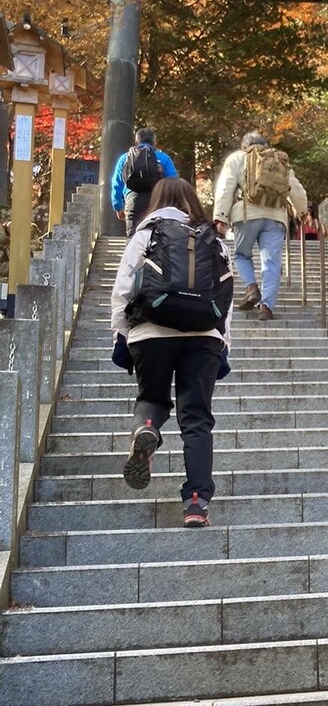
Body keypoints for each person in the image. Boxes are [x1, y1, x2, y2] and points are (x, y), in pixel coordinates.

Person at [110, 177, 233, 528]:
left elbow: (122, 289)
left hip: (151, 331)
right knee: (196, 418)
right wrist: (223, 343)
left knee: (153, 397)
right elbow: (226, 296)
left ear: (157, 201)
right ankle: (196, 502)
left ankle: (147, 426)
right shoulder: (212, 239)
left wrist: (121, 335)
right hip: (204, 335)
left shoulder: (146, 234)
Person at [213, 131, 307, 321]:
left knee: (241, 255)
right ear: (265, 144)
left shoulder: (237, 158)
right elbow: (294, 188)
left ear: (244, 145)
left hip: (246, 214)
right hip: (276, 216)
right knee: (272, 262)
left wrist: (220, 216)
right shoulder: (278, 160)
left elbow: (226, 187)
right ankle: (266, 306)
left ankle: (251, 287)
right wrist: (302, 212)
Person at [110, 127, 179, 236]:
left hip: (133, 201)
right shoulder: (164, 158)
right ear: (154, 142)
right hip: (157, 201)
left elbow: (116, 184)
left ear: (137, 141)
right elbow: (173, 184)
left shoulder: (125, 158)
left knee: (133, 238)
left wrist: (118, 207)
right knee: (157, 240)